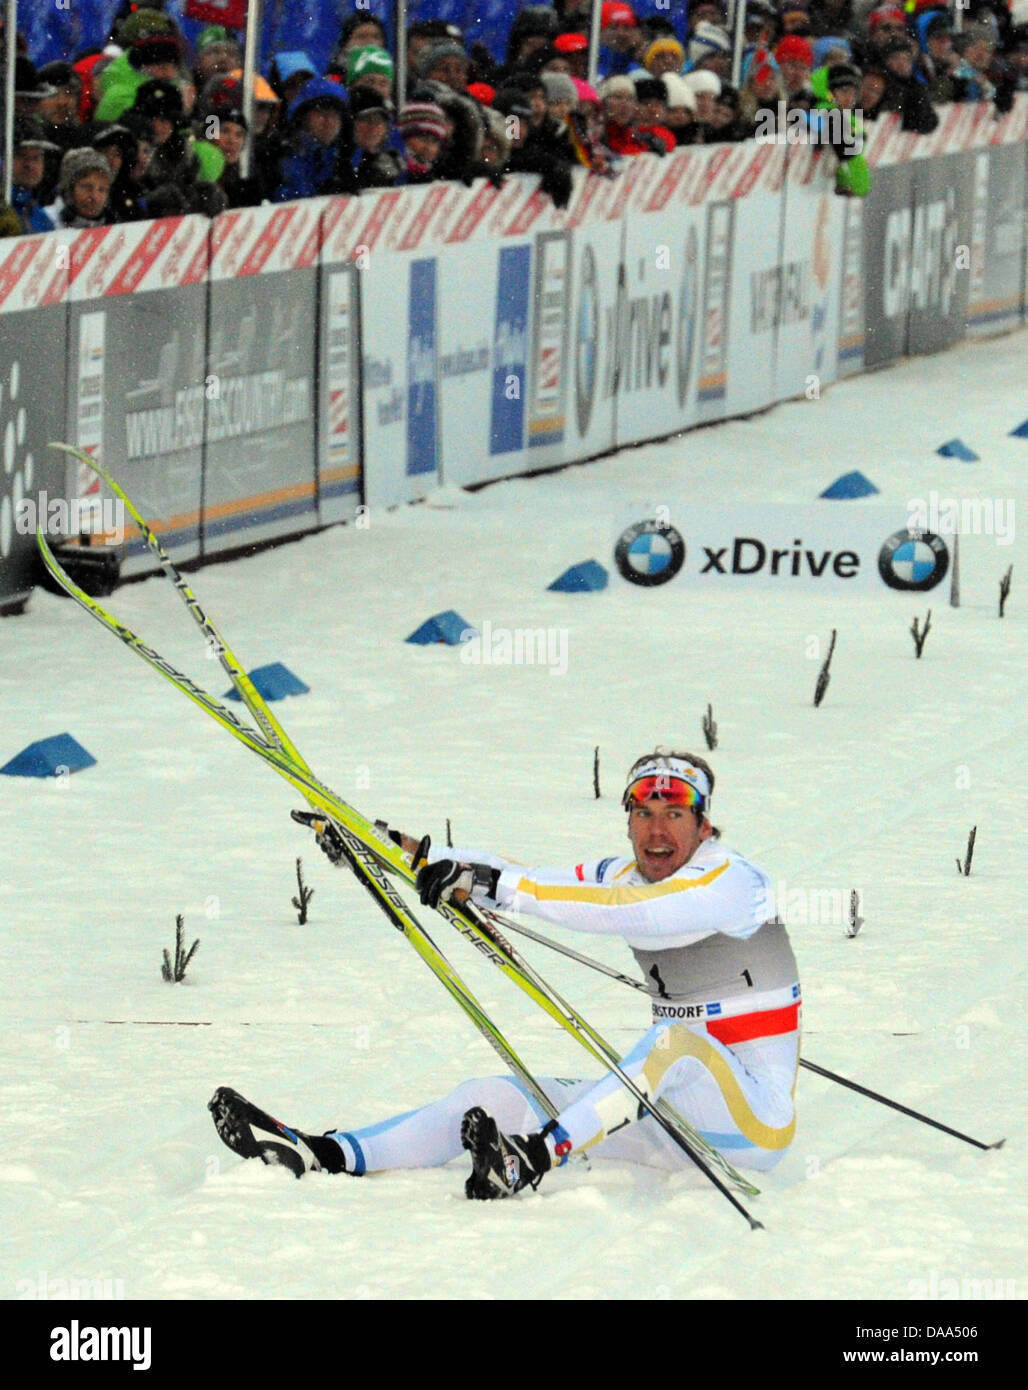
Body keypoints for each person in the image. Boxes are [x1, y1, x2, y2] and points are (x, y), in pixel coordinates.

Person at [210, 752, 802, 1200]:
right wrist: (385, 848)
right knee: (491, 1095)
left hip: (753, 1128)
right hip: (663, 1122)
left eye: (675, 815)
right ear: (626, 823)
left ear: (703, 826)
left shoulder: (731, 881)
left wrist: (496, 889)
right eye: (643, 814)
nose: (656, 831)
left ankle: (529, 1163)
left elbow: (632, 914)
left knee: (674, 1046)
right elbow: (531, 876)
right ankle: (324, 1153)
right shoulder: (622, 872)